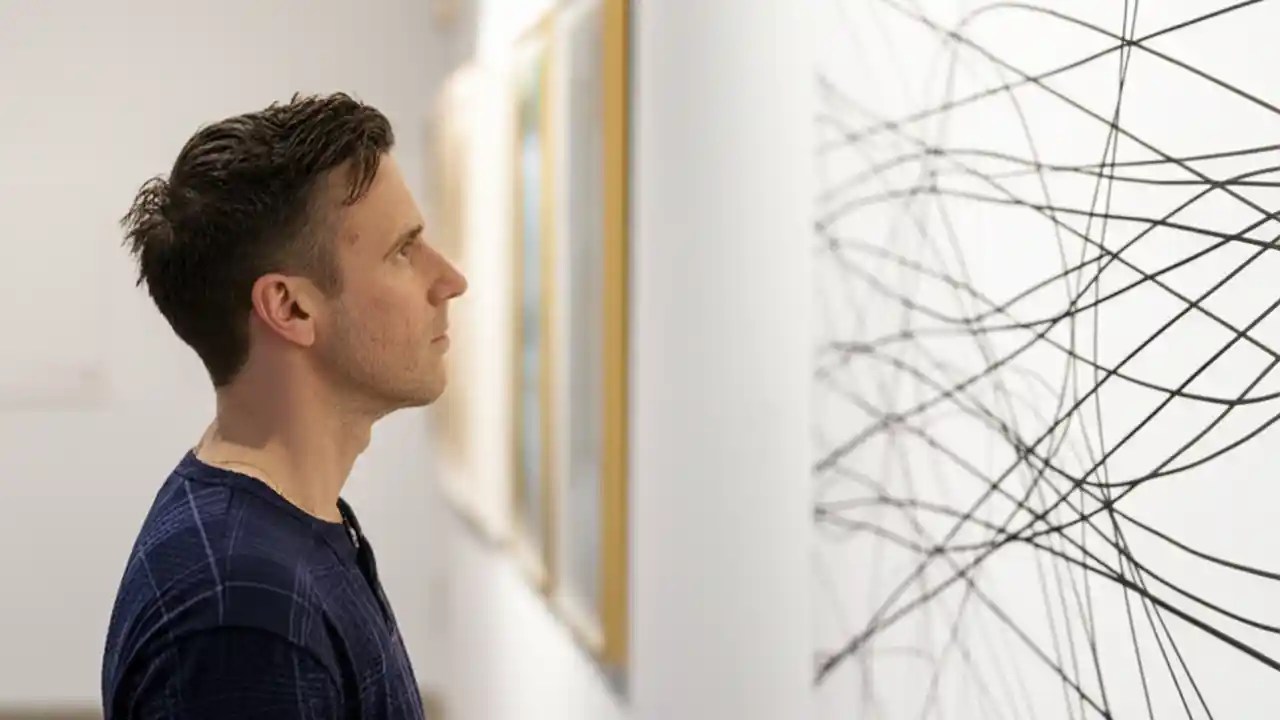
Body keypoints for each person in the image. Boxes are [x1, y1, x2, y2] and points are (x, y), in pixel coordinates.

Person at [101, 92, 467, 719]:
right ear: (291, 308)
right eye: (404, 250)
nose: (450, 279)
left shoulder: (290, 534)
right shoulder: (242, 616)